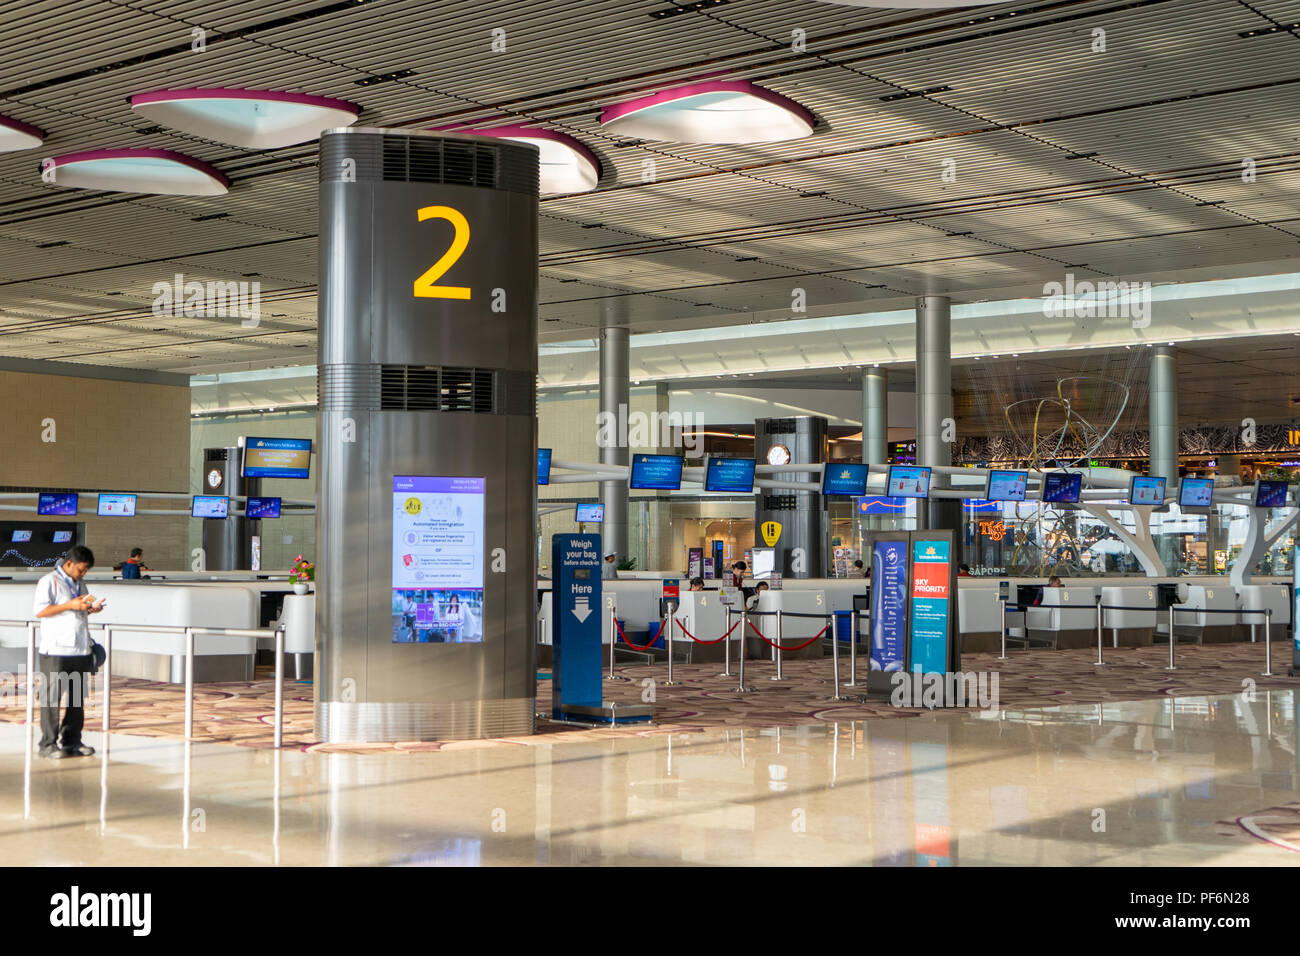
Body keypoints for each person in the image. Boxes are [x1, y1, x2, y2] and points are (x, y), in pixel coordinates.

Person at [33, 545, 104, 759]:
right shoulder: (49, 581)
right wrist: (70, 605)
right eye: (81, 569)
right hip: (55, 650)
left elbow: (77, 610)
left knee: (76, 699)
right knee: (51, 698)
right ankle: (47, 744)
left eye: (85, 571)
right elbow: (40, 610)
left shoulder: (79, 583)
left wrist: (90, 609)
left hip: (80, 649)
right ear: (69, 563)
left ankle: (72, 741)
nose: (83, 574)